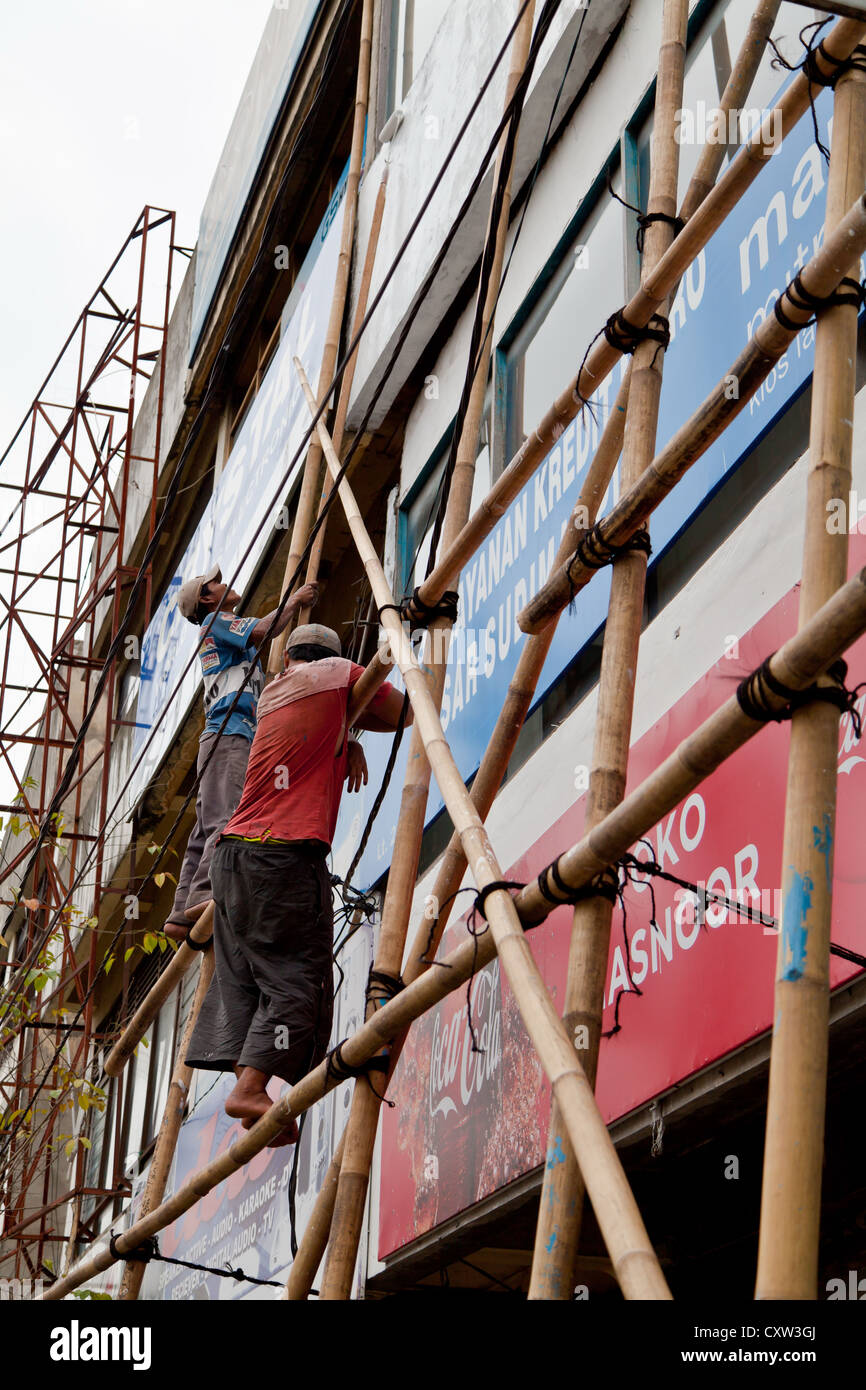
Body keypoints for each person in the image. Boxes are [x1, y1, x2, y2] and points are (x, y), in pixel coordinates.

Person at [186, 623, 409, 1145]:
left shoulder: (271, 696)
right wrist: (354, 722)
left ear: (286, 658)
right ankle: (252, 1088)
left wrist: (347, 734)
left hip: (233, 860)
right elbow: (404, 711)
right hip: (282, 857)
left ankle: (251, 1088)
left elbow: (317, 726)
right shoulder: (337, 673)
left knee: (251, 984)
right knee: (298, 981)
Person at [164, 566, 320, 943]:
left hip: (218, 740)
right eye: (215, 582)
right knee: (226, 817)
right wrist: (294, 600)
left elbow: (260, 636)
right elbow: (264, 629)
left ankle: (180, 911)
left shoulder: (228, 637)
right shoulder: (217, 621)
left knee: (204, 828)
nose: (225, 583)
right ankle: (203, 893)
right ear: (206, 599)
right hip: (228, 736)